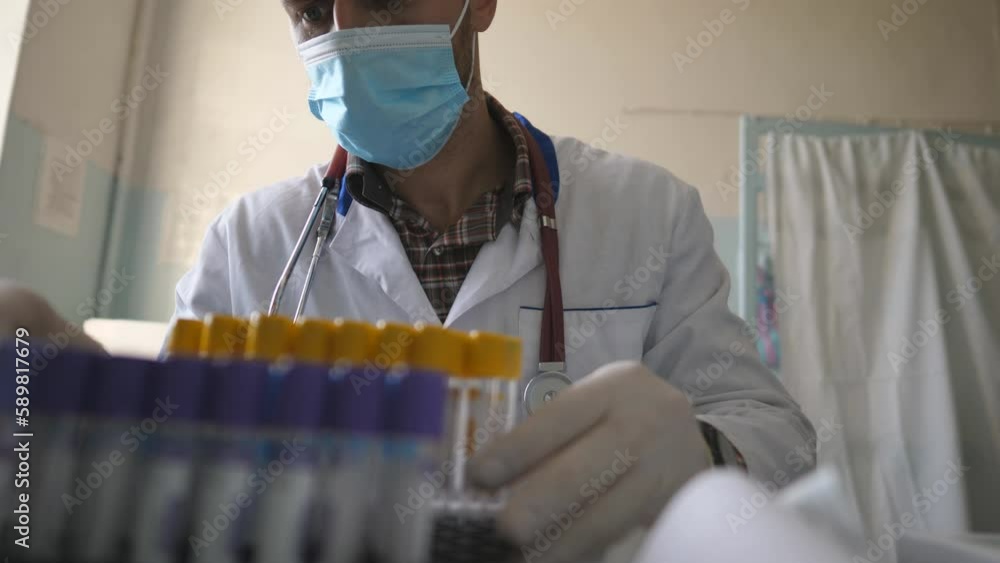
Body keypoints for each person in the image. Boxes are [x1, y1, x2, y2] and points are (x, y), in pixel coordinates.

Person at [1, 1, 817, 561]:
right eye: (314, 13)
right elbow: (169, 484)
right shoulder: (249, 246)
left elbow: (780, 439)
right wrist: (61, 412)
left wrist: (709, 450)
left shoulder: (647, 213)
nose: (346, 37)